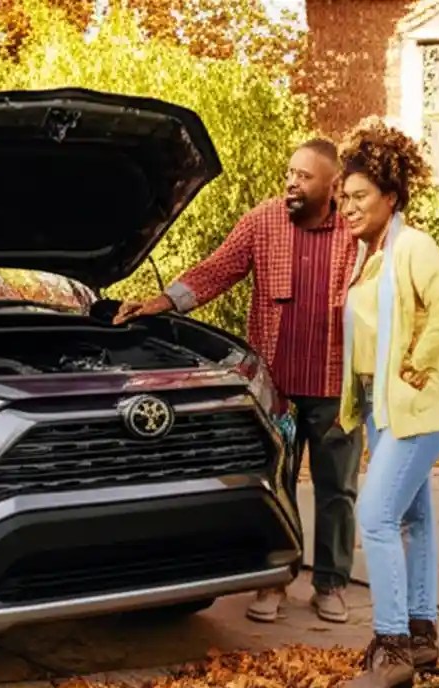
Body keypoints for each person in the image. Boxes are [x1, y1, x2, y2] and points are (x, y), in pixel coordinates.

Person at [113, 139, 364, 625]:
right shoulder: (263, 221)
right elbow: (216, 269)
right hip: (275, 391)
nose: (292, 182)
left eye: (304, 176)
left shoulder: (354, 228)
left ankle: (331, 584)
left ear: (332, 185)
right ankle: (272, 581)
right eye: (290, 172)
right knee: (275, 483)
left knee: (337, 489)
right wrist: (162, 302)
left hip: (335, 385)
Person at [332, 117, 439, 688]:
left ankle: (391, 653)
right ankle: (421, 635)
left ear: (391, 196)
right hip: (383, 410)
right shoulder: (374, 255)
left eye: (360, 196)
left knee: (375, 517)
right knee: (415, 520)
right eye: (344, 198)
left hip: (415, 409)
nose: (349, 207)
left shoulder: (413, 246)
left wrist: (417, 362)